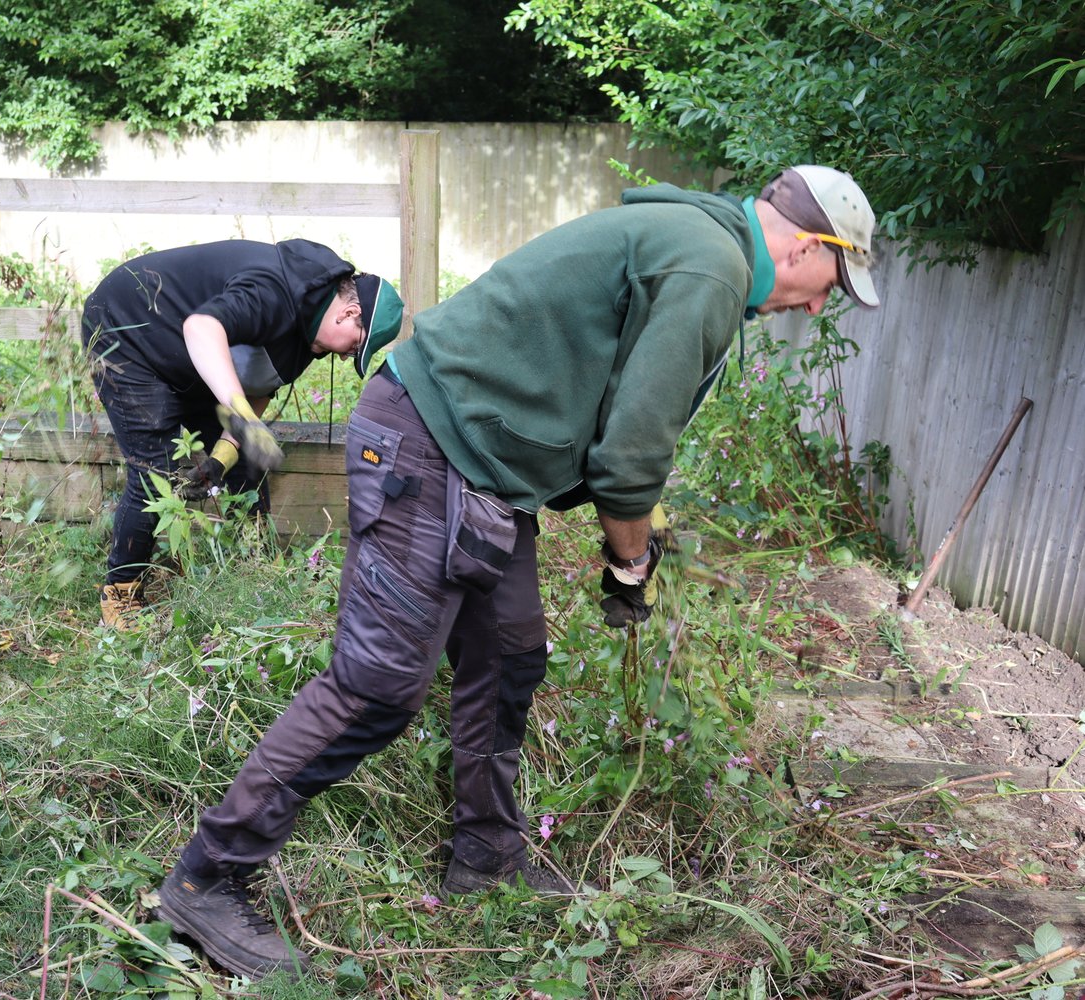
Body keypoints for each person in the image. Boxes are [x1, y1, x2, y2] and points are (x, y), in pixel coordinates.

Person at [153, 165, 881, 978]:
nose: (819, 304)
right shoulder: (710, 265)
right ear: (806, 244)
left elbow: (619, 410)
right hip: (428, 443)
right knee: (377, 685)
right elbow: (628, 460)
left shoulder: (699, 247)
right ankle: (208, 878)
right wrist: (630, 561)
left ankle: (487, 855)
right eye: (834, 280)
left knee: (508, 656)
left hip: (483, 465)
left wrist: (637, 518)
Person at [84, 239, 404, 629]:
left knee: (245, 465)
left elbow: (257, 388)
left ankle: (253, 573)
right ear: (349, 313)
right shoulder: (274, 291)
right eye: (355, 346)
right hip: (127, 328)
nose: (345, 356)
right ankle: (119, 598)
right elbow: (201, 327)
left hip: (189, 356)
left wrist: (224, 455)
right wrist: (239, 418)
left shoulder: (310, 332)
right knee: (156, 471)